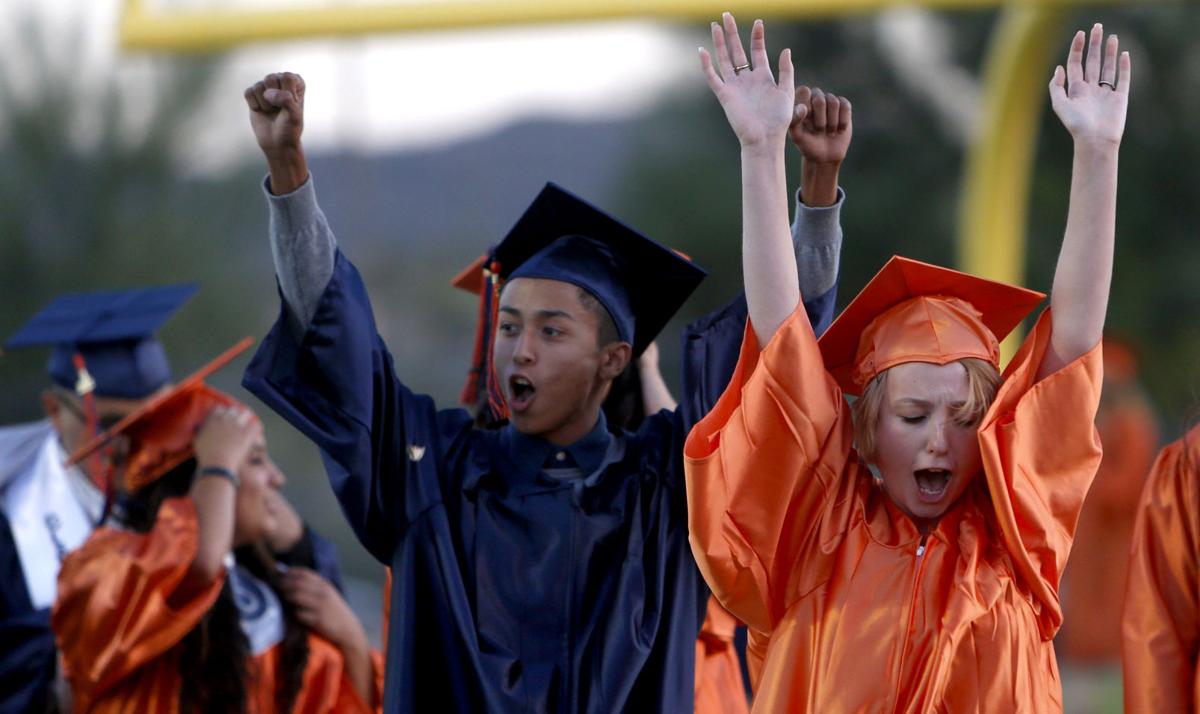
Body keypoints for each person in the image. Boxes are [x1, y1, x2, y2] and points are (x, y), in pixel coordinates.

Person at [237, 62, 845, 709]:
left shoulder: (668, 487)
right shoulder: (435, 475)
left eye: (551, 332)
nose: (518, 351)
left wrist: (804, 186)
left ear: (613, 361)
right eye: (509, 327)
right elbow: (340, 346)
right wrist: (290, 174)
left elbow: (778, 371)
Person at [686, 14, 1125, 711]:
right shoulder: (817, 536)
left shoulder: (1017, 540)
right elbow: (780, 342)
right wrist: (760, 151)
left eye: (963, 417)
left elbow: (1071, 346)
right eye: (913, 413)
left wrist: (1098, 153)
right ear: (865, 430)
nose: (938, 438)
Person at [51, 342, 381, 713]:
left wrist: (351, 641)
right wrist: (219, 464)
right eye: (255, 460)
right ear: (201, 482)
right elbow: (194, 565)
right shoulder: (103, 571)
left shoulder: (275, 611)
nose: (277, 478)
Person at [0, 285, 196, 713]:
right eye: (110, 424)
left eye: (155, 418)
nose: (136, 442)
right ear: (55, 412)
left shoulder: (196, 494)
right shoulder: (11, 529)